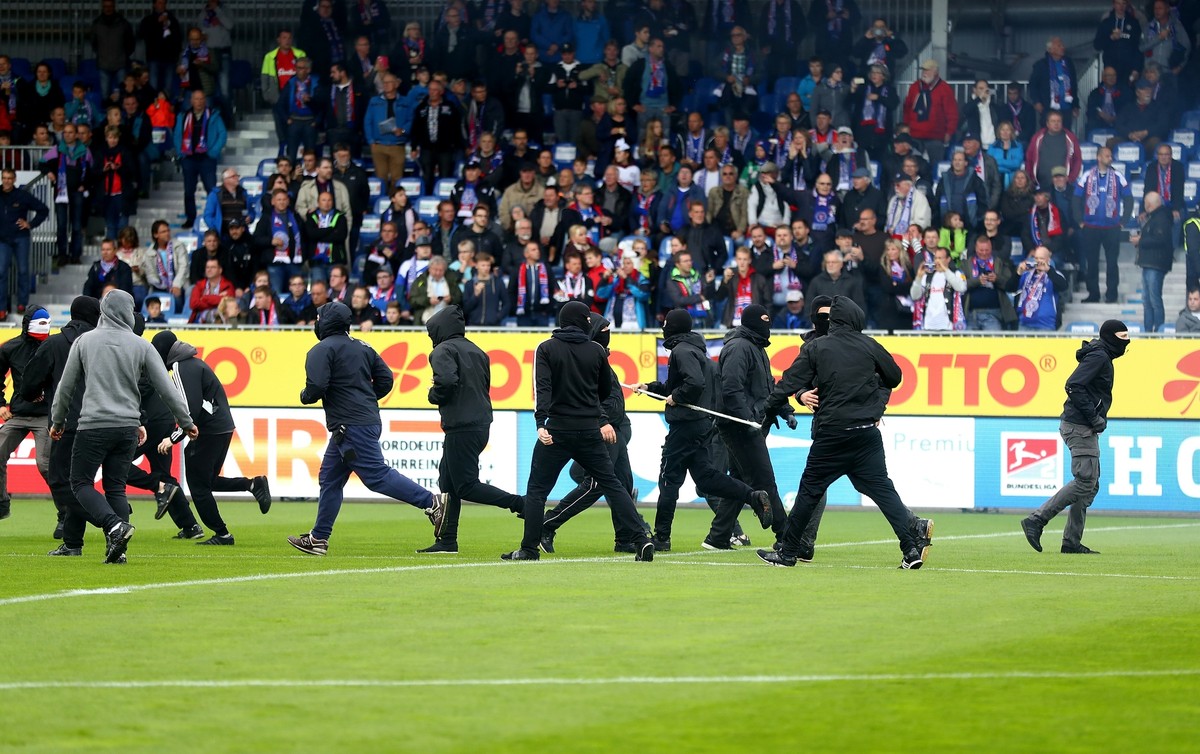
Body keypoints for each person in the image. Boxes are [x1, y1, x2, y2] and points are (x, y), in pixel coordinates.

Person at [757, 296, 932, 569]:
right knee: (883, 490)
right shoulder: (869, 345)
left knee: (809, 492)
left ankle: (788, 552)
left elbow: (789, 382)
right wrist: (873, 401)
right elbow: (895, 377)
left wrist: (767, 408)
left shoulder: (817, 347)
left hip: (833, 434)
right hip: (866, 435)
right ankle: (910, 548)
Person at [288, 302, 446, 556]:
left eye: (318, 318)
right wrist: (365, 398)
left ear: (325, 321)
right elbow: (386, 379)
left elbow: (315, 387)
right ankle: (318, 538)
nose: (315, 322)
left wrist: (305, 395)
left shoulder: (320, 349)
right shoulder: (363, 346)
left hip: (349, 425)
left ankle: (432, 502)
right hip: (364, 421)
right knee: (330, 478)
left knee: (376, 476)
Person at [50, 291, 196, 564]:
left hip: (93, 425)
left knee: (80, 483)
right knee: (116, 488)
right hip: (129, 427)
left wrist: (58, 421)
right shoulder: (141, 345)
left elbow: (66, 388)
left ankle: (114, 526)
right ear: (129, 311)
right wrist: (186, 422)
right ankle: (118, 551)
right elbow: (167, 389)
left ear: (104, 309)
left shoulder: (84, 341)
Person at [509, 301, 655, 561]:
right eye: (588, 319)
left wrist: (541, 422)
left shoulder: (546, 349)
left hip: (557, 429)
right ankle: (640, 539)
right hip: (589, 429)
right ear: (581, 321)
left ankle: (530, 549)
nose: (591, 323)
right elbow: (603, 391)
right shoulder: (597, 351)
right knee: (613, 484)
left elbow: (542, 389)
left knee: (537, 490)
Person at [632, 309, 768, 550]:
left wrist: (677, 395)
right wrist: (651, 387)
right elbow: (683, 385)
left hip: (684, 426)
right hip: (702, 424)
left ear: (671, 328)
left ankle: (661, 538)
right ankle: (752, 496)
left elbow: (692, 385)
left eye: (665, 324)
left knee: (669, 481)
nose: (663, 328)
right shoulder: (697, 351)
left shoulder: (680, 351)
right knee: (707, 479)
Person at [150, 331, 270, 546]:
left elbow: (189, 409)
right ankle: (253, 484)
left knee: (198, 486)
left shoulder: (179, 367)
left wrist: (173, 438)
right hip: (221, 427)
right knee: (208, 481)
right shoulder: (193, 363)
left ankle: (222, 534)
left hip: (209, 430)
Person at [1022, 320, 1129, 555]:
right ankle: (1037, 520)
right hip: (1079, 425)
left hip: (1080, 426)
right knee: (1085, 481)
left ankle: (1071, 542)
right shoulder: (1100, 357)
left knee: (1089, 484)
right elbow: (1073, 385)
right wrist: (1094, 417)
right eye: (1123, 336)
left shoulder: (1102, 355)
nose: (1126, 341)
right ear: (1111, 336)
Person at [705, 304, 790, 550]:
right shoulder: (740, 348)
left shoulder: (756, 347)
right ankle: (785, 535)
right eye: (764, 321)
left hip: (749, 424)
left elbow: (767, 389)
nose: (768, 326)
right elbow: (731, 389)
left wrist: (785, 411)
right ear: (752, 322)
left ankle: (718, 536)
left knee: (740, 479)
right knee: (765, 480)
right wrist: (748, 421)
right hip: (739, 426)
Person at [0, 307, 53, 521]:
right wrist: (1, 404)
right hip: (18, 415)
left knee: (45, 464)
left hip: (45, 416)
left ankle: (66, 512)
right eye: (41, 322)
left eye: (47, 322)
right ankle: (2, 503)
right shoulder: (10, 348)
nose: (45, 327)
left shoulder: (54, 346)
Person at [1074, 146, 1132, 303]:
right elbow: (1076, 198)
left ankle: (1111, 294)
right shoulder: (1087, 175)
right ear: (1099, 157)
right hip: (1090, 228)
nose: (1110, 158)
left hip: (1112, 228)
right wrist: (1080, 221)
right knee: (1091, 262)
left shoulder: (1118, 176)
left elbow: (1129, 199)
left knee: (1112, 263)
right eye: (1107, 156)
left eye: (1111, 155)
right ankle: (1093, 294)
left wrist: (1123, 221)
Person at [0, 169, 50, 320]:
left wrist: (31, 224)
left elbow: (43, 209)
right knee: (1, 273)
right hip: (2, 239)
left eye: (10, 178)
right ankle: (1, 309)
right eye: (4, 178)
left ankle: (22, 304)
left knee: (23, 271)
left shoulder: (22, 195)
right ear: (2, 179)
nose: (7, 181)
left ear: (14, 179)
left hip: (21, 237)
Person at [1132, 191, 1174, 333]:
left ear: (1149, 204)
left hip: (1155, 264)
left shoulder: (1161, 218)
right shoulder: (1156, 217)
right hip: (1149, 263)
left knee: (1153, 299)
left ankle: (1158, 330)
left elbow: (1160, 240)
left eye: (1145, 203)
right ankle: (1148, 331)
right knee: (1147, 300)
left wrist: (1140, 240)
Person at [902, 59, 957, 163]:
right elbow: (907, 108)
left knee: (935, 165)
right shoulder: (915, 87)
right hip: (915, 135)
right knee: (913, 165)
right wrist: (906, 125)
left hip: (936, 137)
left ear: (936, 72)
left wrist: (949, 132)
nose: (924, 73)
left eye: (927, 70)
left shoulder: (944, 88)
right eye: (923, 70)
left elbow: (952, 113)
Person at [1010, 246, 1068, 331]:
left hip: (1046, 325)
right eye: (1036, 258)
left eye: (1041, 258)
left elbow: (1064, 286)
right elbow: (1010, 288)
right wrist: (1018, 273)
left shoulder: (1054, 274)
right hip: (1024, 324)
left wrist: (1048, 270)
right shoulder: (1026, 275)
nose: (1038, 261)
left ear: (1048, 259)